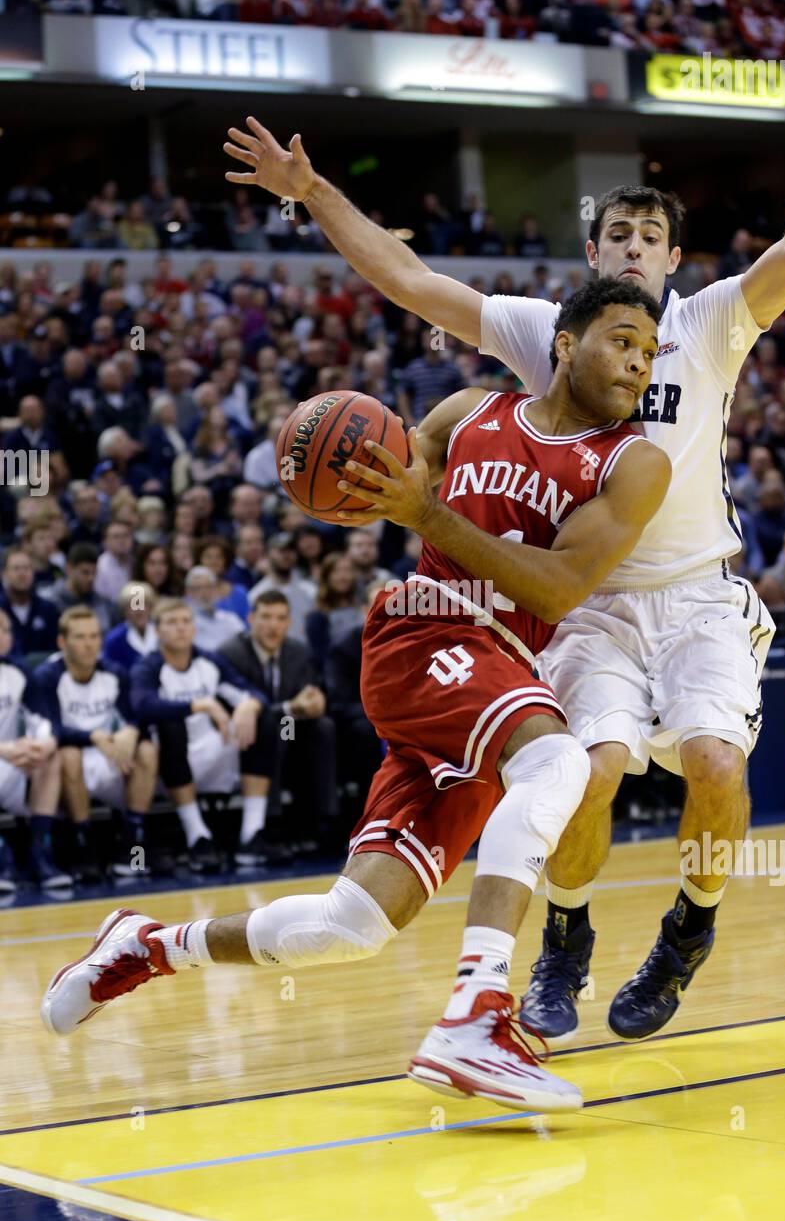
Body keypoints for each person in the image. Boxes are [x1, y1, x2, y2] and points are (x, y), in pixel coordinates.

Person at [217, 27, 785, 1043]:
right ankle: (564, 935)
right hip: (586, 597)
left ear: (673, 261)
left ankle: (689, 928)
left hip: (698, 593)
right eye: (617, 233)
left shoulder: (706, 322)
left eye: (650, 236)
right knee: (591, 766)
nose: (633, 246)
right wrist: (312, 192)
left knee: (713, 762)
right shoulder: (546, 332)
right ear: (591, 252)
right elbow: (410, 280)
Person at [42, 280, 669, 1113]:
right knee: (558, 763)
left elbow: (557, 589)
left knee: (353, 923)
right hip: (429, 630)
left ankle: (149, 947)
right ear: (564, 343)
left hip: (501, 665)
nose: (637, 361)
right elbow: (379, 479)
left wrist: (427, 515)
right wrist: (333, 471)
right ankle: (477, 1016)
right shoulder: (468, 413)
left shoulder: (634, 462)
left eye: (648, 351)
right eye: (621, 339)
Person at [127, 598, 276, 872]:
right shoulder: (147, 666)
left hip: (212, 750)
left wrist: (249, 705)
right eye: (172, 622)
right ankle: (197, 836)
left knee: (263, 720)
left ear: (195, 628)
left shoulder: (209, 660)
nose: (181, 628)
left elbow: (254, 693)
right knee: (172, 724)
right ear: (157, 631)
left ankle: (252, 834)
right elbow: (142, 705)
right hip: (166, 762)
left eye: (186, 621)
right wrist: (198, 705)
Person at [33, 607, 159, 882]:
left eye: (94, 636)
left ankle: (133, 842)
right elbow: (50, 730)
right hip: (68, 767)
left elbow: (139, 716)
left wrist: (131, 730)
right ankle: (83, 845)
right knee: (69, 755)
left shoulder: (114, 673)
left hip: (111, 758)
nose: (89, 644)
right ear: (62, 642)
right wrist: (93, 736)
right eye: (80, 637)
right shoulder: (47, 677)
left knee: (147, 751)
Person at [218, 590, 339, 852]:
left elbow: (309, 691)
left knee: (323, 727)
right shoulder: (231, 653)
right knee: (270, 726)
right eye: (266, 617)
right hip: (246, 737)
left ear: (289, 622)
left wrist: (316, 701)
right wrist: (289, 708)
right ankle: (268, 824)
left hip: (290, 730)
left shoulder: (298, 651)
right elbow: (238, 707)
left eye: (281, 618)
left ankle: (322, 821)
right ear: (251, 618)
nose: (273, 626)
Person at [0, 608, 71, 893]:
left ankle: (40, 852)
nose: (2, 636)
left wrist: (43, 744)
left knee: (51, 758)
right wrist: (4, 749)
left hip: (10, 763)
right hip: (5, 754)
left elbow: (43, 718)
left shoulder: (18, 672)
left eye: (6, 630)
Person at [44, 541, 115, 634]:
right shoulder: (51, 603)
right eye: (85, 572)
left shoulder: (104, 604)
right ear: (69, 569)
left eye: (94, 573)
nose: (91, 578)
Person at [103, 582, 159, 671]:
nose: (140, 611)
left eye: (144, 604)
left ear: (151, 608)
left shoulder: (163, 633)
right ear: (125, 610)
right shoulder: (114, 639)